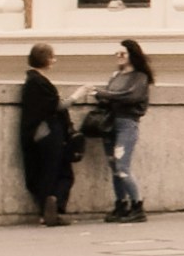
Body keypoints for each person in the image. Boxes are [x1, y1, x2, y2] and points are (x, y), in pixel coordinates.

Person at [88, 40, 154, 221]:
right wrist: (102, 96)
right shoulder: (116, 75)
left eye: (122, 53)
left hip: (127, 123)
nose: (119, 57)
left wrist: (102, 94)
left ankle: (137, 205)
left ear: (132, 55)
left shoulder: (140, 77)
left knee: (122, 166)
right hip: (110, 124)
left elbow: (131, 97)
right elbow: (111, 99)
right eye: (116, 54)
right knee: (114, 167)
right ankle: (121, 204)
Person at [17, 44, 77, 226]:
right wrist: (77, 96)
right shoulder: (39, 83)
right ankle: (53, 206)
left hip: (38, 136)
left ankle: (46, 209)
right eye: (52, 57)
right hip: (49, 135)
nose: (54, 60)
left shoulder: (32, 81)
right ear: (45, 59)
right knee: (59, 173)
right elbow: (55, 106)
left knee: (45, 173)